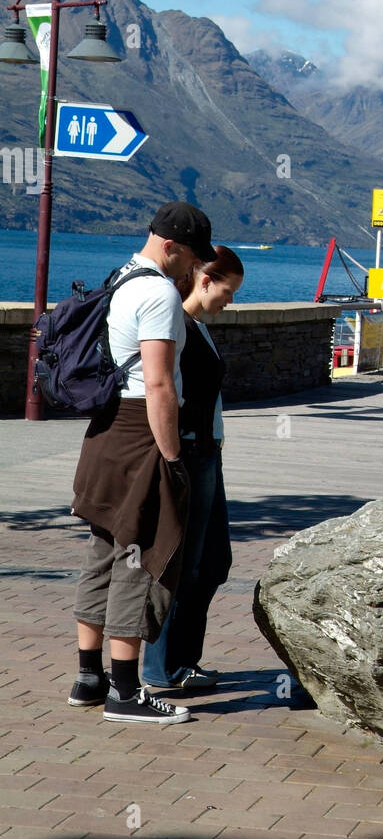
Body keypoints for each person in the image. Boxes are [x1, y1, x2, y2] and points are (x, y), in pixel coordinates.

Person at [68, 202, 216, 725]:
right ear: (171, 246)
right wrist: (173, 456)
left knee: (104, 551)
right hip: (139, 435)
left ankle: (89, 678)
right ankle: (126, 692)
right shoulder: (157, 292)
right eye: (193, 256)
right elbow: (158, 384)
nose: (196, 269)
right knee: (141, 555)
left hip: (105, 433)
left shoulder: (121, 277)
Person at [143, 247, 243, 693]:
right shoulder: (179, 328)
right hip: (191, 454)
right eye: (229, 290)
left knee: (213, 561)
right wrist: (174, 459)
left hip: (209, 453)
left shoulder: (198, 328)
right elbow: (162, 390)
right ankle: (162, 666)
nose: (231, 301)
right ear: (205, 281)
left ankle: (184, 660)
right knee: (184, 562)